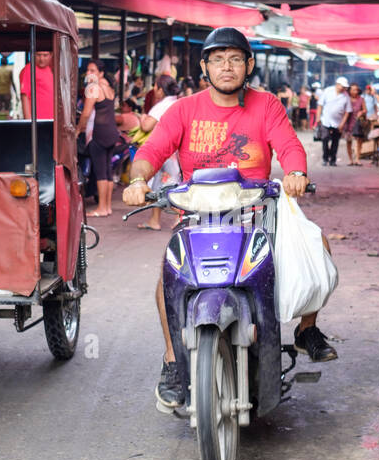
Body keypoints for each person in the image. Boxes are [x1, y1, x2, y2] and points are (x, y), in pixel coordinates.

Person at [121, 26, 336, 413]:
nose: (227, 67)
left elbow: (288, 145)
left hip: (257, 211)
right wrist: (139, 179)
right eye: (218, 59)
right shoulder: (184, 109)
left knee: (316, 244)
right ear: (205, 66)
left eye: (235, 58)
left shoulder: (266, 104)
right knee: (168, 278)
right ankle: (173, 362)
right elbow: (152, 149)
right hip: (198, 214)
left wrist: (295, 172)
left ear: (248, 64)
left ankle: (306, 331)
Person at [78, 61, 120, 217]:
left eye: (93, 70)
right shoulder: (108, 88)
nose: (89, 73)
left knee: (101, 171)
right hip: (111, 132)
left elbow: (86, 113)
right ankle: (107, 207)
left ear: (101, 73)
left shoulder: (93, 88)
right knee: (108, 170)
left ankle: (101, 208)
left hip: (100, 133)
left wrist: (78, 129)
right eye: (88, 70)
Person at [140, 79, 181, 232]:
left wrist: (142, 118)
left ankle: (179, 217)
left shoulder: (162, 105)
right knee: (162, 184)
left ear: (161, 90)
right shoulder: (177, 102)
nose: (154, 90)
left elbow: (146, 126)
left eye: (155, 87)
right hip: (174, 151)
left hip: (164, 150)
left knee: (170, 185)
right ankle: (154, 220)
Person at [315, 76, 350, 166]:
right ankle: (325, 158)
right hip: (325, 120)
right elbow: (320, 105)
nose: (344, 88)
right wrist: (318, 117)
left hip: (338, 122)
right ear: (337, 85)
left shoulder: (346, 96)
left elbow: (347, 111)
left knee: (335, 141)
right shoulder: (327, 91)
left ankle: (333, 159)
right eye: (343, 86)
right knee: (325, 139)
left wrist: (342, 123)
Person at [20, 48, 55, 121]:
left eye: (45, 55)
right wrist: (28, 121)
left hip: (51, 119)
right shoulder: (29, 69)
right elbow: (24, 96)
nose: (41, 59)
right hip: (37, 121)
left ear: (51, 55)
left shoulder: (49, 69)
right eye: (38, 55)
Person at [343, 83, 369, 166]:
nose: (355, 91)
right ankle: (350, 160)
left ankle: (357, 159)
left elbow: (365, 110)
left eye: (356, 90)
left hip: (358, 123)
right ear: (349, 91)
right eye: (353, 90)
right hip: (348, 123)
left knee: (359, 141)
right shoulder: (346, 99)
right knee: (348, 141)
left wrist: (361, 112)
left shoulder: (361, 99)